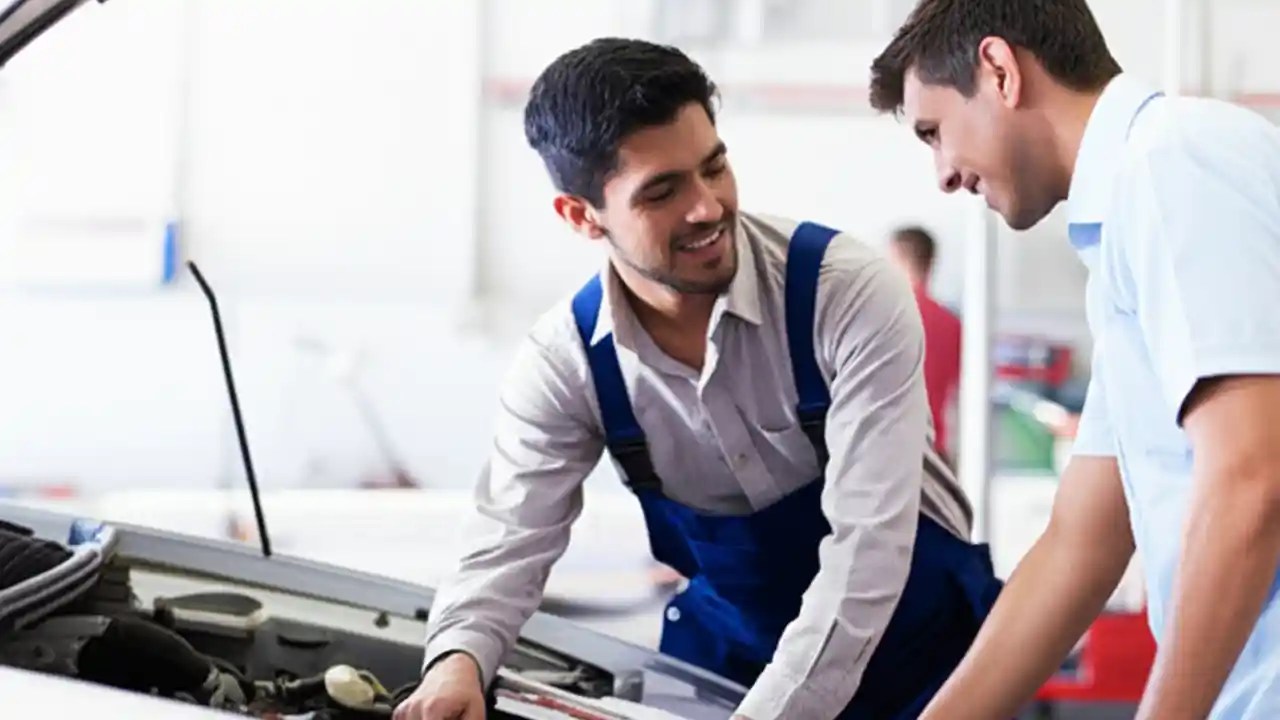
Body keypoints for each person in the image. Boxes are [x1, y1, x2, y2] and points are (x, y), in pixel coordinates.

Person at [394, 37, 1000, 720]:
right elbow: (509, 538)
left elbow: (868, 554)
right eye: (662, 190)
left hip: (922, 658)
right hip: (730, 667)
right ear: (581, 216)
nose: (707, 206)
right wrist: (456, 665)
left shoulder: (844, 294)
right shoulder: (565, 363)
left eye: (714, 168)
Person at [870, 1, 1280, 718]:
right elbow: (1080, 545)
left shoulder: (1171, 162)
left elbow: (1252, 478)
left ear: (999, 70)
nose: (942, 175)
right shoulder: (1125, 219)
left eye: (935, 133)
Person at [887, 226, 962, 457]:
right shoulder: (952, 324)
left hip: (891, 450)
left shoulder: (886, 318)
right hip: (934, 451)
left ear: (898, 257)